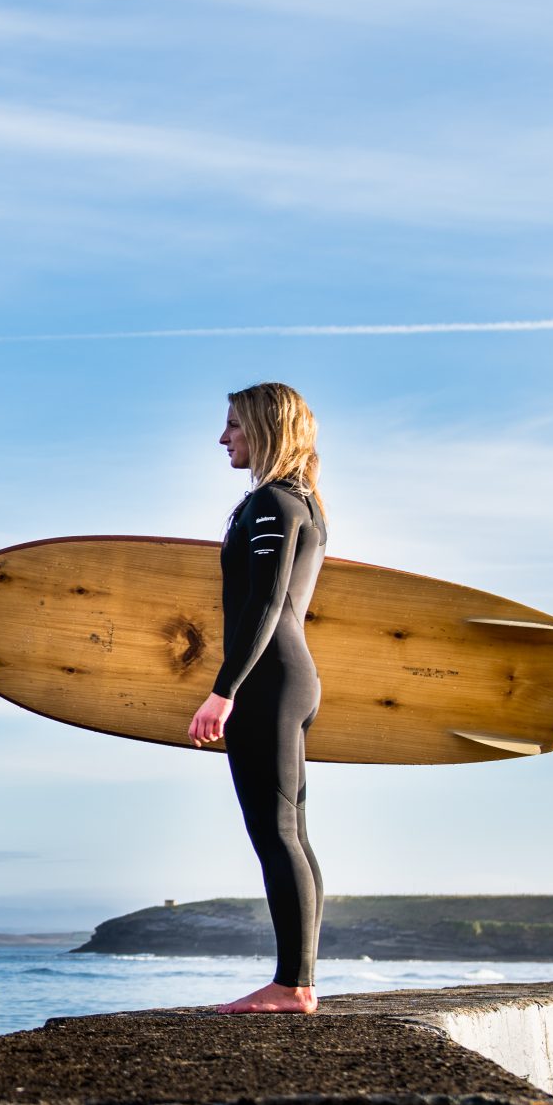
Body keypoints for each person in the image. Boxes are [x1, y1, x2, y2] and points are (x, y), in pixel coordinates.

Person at [187, 383, 328, 1015]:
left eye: (234, 425)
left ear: (266, 428)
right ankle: (299, 981)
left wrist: (224, 691)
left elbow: (265, 605)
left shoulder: (272, 502)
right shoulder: (302, 501)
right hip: (292, 679)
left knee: (275, 834)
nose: (224, 438)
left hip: (268, 681)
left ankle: (291, 986)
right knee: (290, 833)